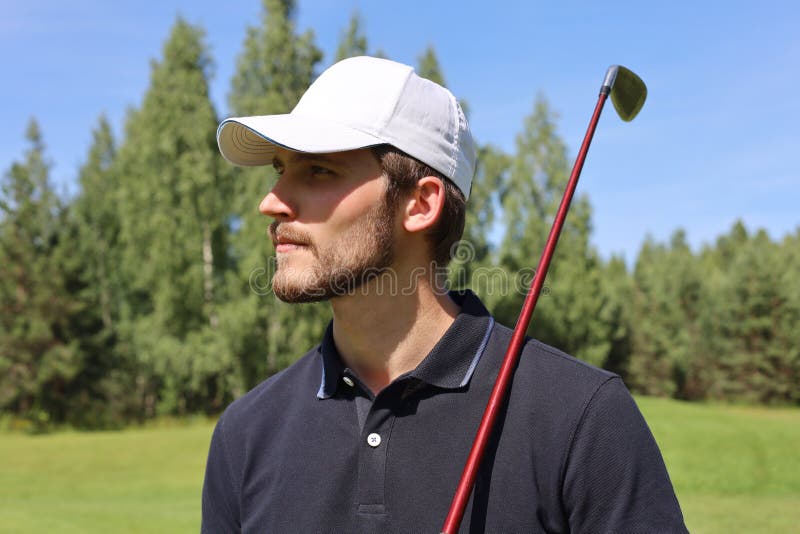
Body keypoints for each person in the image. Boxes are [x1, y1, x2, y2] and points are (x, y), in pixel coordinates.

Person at [202, 56, 688, 533]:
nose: (270, 202)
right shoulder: (245, 433)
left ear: (421, 203)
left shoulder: (583, 417)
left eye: (319, 171)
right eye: (279, 170)